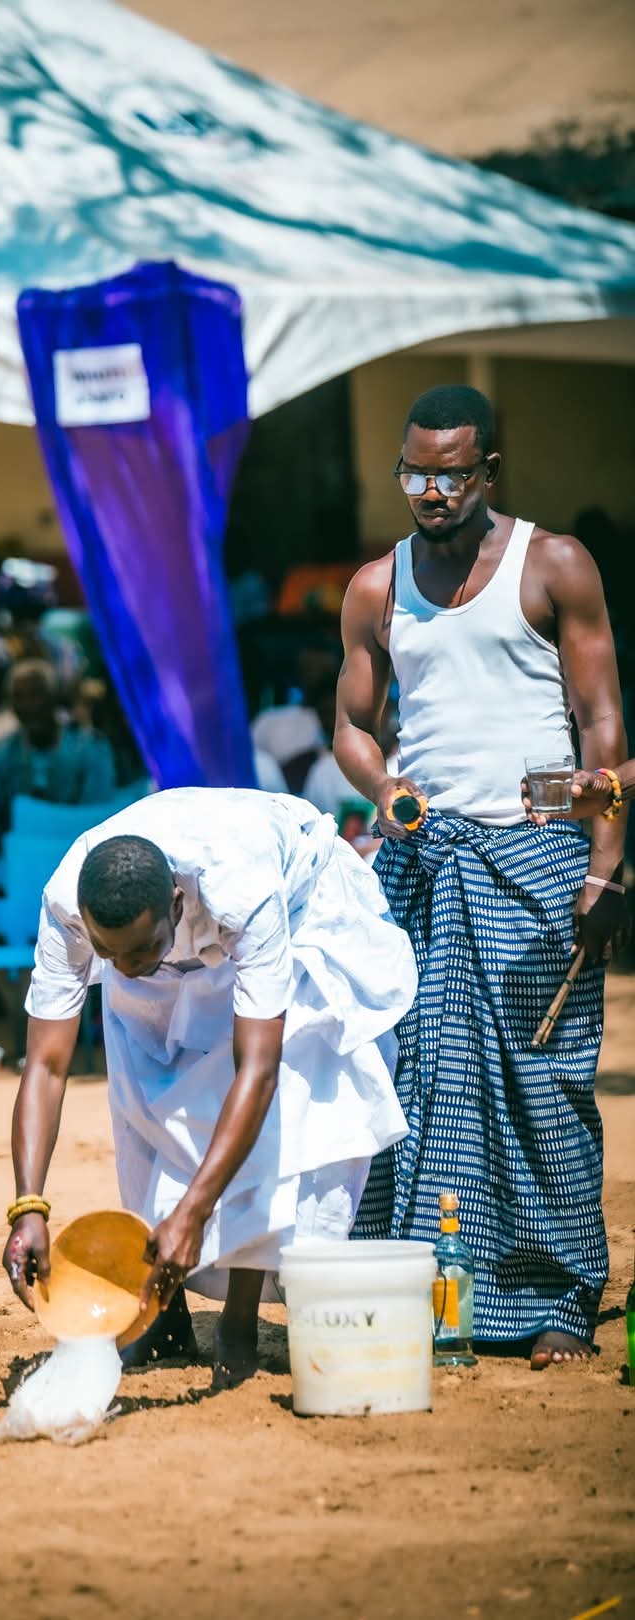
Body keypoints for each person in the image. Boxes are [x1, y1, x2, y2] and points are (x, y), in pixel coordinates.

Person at [334, 383, 627, 1371]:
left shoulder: (555, 565)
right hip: (426, 864)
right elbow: (352, 727)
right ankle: (425, 1292)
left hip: (540, 858)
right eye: (414, 475)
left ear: (488, 471)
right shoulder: (376, 587)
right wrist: (386, 787)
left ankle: (560, 1297)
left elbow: (603, 727)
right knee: (415, 1080)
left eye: (451, 475)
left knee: (547, 1084)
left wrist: (606, 869)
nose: (431, 492)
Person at [2, 788, 416, 1385]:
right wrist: (27, 1207)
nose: (125, 969)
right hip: (195, 930)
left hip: (300, 907)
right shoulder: (69, 906)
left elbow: (258, 1070)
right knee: (141, 1102)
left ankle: (238, 1321)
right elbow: (45, 1065)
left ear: (175, 904)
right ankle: (163, 1312)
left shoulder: (242, 888)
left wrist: (194, 1213)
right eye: (107, 953)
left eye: (140, 949)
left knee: (289, 1095)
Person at [0, 660, 115, 850]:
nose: (28, 704)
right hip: (20, 854)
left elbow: (97, 813)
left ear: (54, 697)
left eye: (36, 694)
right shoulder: (2, 753)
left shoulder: (90, 748)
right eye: (18, 697)